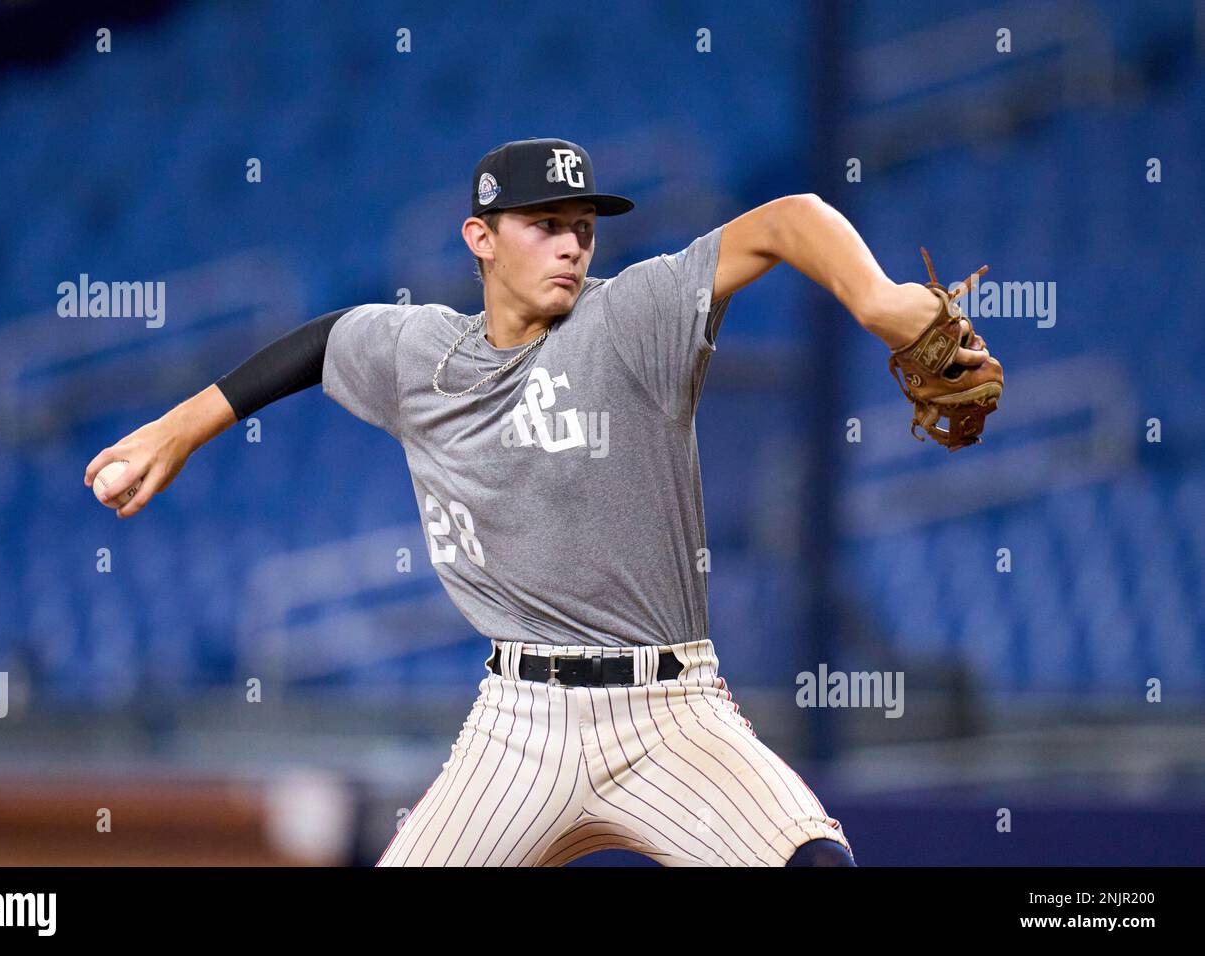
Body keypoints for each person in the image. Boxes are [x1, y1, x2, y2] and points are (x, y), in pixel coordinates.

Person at [84, 137, 992, 866]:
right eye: (545, 223)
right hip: (516, 725)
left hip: (667, 714)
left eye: (583, 228)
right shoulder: (419, 356)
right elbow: (323, 344)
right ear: (480, 237)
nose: (571, 244)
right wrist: (178, 428)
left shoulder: (631, 319)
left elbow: (788, 221)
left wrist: (874, 298)